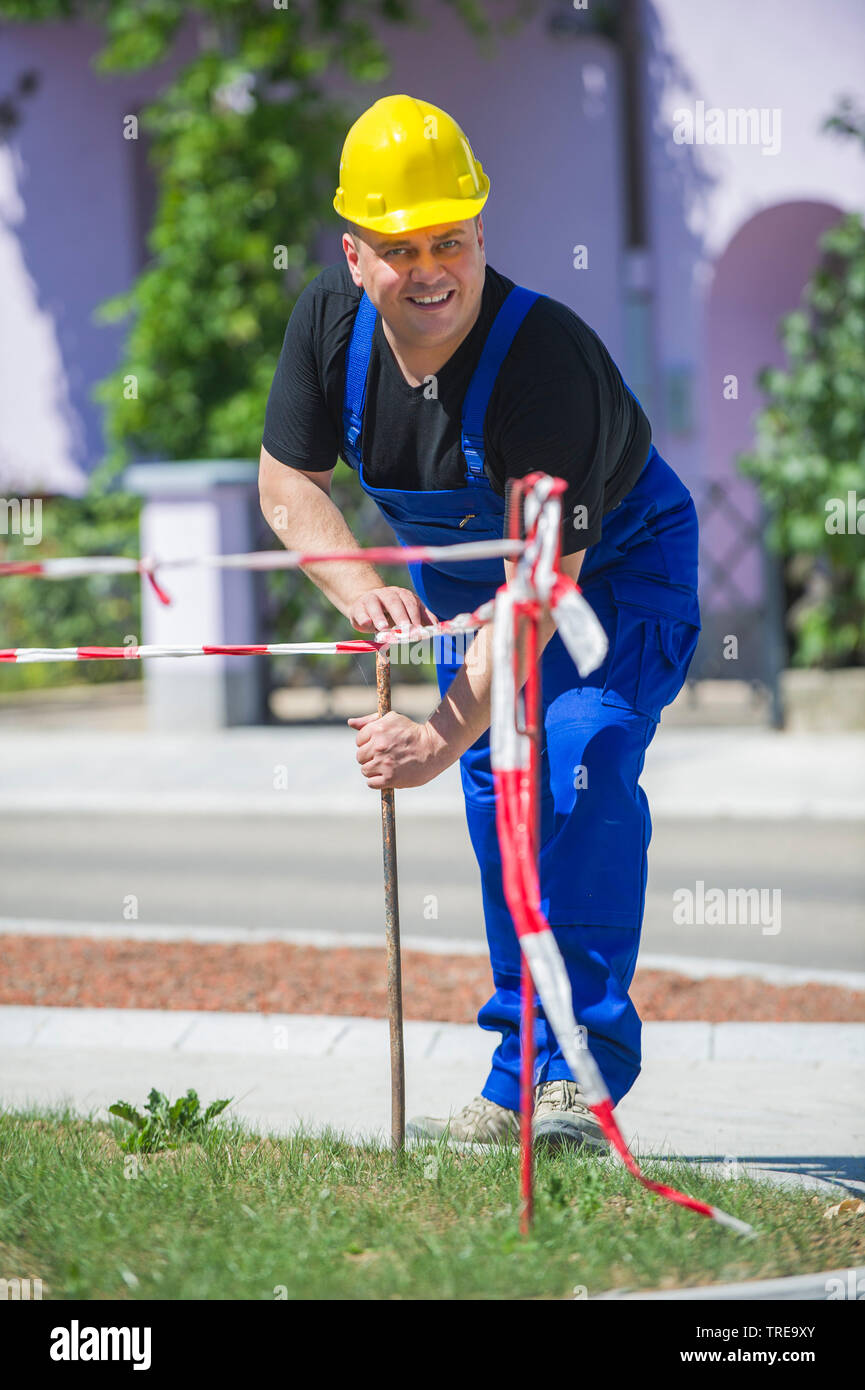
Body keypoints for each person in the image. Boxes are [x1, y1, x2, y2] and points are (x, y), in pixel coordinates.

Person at [259, 94, 700, 1150]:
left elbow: (546, 587)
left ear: (480, 235)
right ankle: (516, 1086)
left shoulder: (544, 360)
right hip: (482, 594)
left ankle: (573, 1088)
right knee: (501, 796)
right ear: (355, 255)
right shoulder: (327, 327)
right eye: (401, 247)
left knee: (578, 761)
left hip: (611, 576)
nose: (430, 269)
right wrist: (358, 585)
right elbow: (286, 485)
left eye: (449, 240)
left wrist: (434, 729)